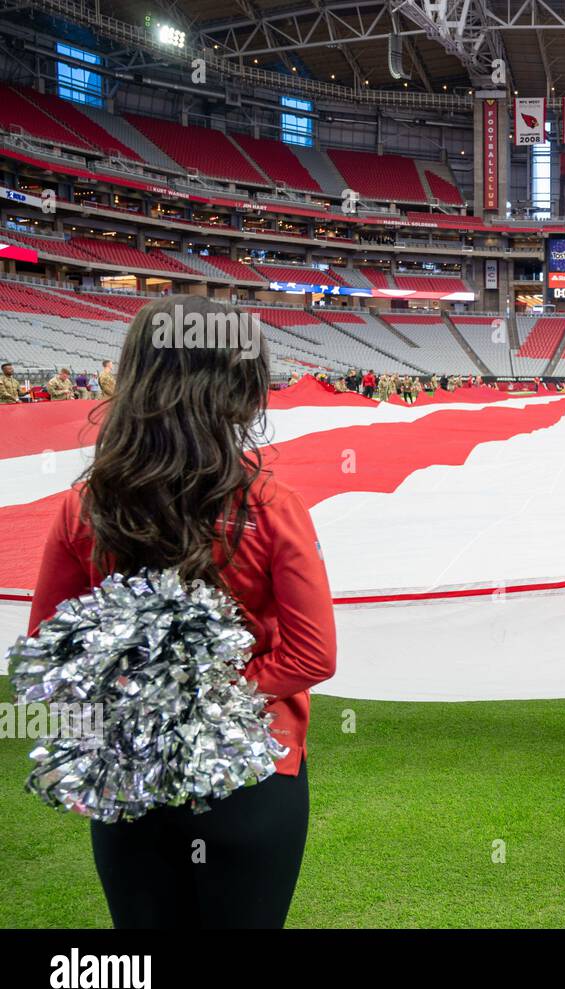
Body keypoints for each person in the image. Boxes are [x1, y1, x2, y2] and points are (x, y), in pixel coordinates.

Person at [28, 295, 336, 928]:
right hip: (251, 770)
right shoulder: (271, 504)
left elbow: (49, 646)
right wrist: (214, 702)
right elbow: (314, 653)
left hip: (131, 772)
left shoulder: (83, 506)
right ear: (239, 391)